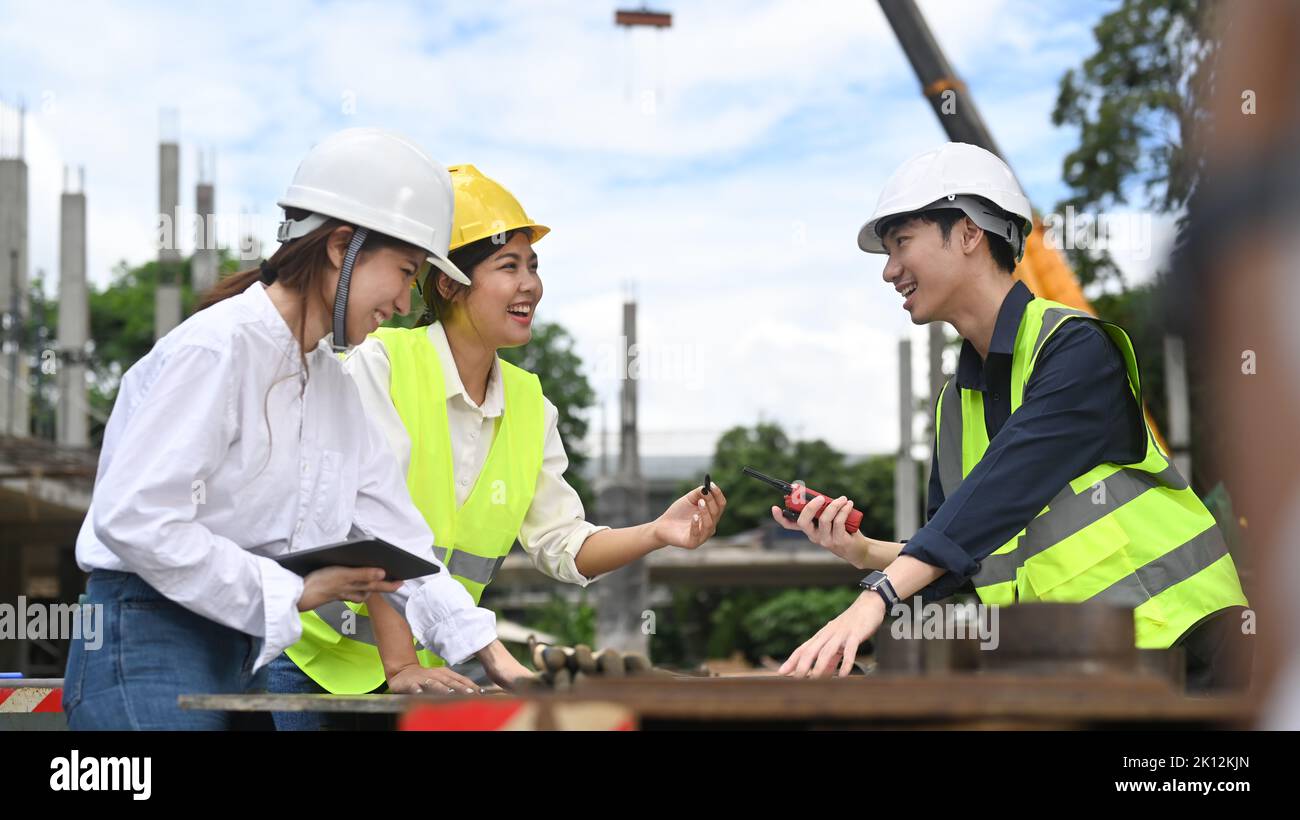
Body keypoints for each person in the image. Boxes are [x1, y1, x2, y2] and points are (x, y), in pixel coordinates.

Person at [62, 128, 528, 730]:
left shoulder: (332, 385)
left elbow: (400, 540)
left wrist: (493, 657)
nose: (408, 302)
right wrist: (294, 593)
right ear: (342, 246)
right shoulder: (218, 349)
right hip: (146, 636)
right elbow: (135, 518)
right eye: (406, 271)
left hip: (244, 645)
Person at [776, 142, 1249, 689]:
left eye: (902, 241)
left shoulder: (1074, 349)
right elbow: (957, 548)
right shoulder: (956, 406)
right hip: (1088, 671)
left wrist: (878, 594)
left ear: (971, 232)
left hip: (1191, 650)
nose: (889, 271)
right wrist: (863, 552)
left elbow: (1005, 488)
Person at [268, 165, 726, 722]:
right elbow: (368, 529)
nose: (529, 284)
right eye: (508, 266)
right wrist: (401, 665)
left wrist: (657, 532)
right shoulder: (380, 365)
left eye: (533, 266)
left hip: (431, 670)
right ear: (448, 283)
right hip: (314, 662)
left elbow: (561, 544)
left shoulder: (533, 407)